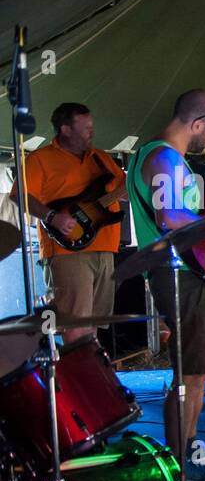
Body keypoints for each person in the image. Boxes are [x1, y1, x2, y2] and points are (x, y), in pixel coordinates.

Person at [126, 90, 205, 481]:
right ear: (196, 124)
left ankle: (187, 448)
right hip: (179, 276)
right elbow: (170, 215)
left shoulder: (159, 158)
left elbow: (179, 213)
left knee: (195, 371)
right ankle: (181, 465)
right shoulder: (163, 157)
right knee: (190, 373)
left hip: (183, 273)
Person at [16, 103, 126, 343]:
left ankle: (91, 376)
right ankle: (77, 376)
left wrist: (145, 178)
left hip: (106, 246)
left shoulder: (101, 158)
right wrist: (52, 216)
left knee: (94, 325)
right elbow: (19, 195)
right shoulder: (41, 158)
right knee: (74, 326)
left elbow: (124, 191)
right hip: (68, 249)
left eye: (91, 126)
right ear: (65, 130)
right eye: (86, 127)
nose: (92, 131)